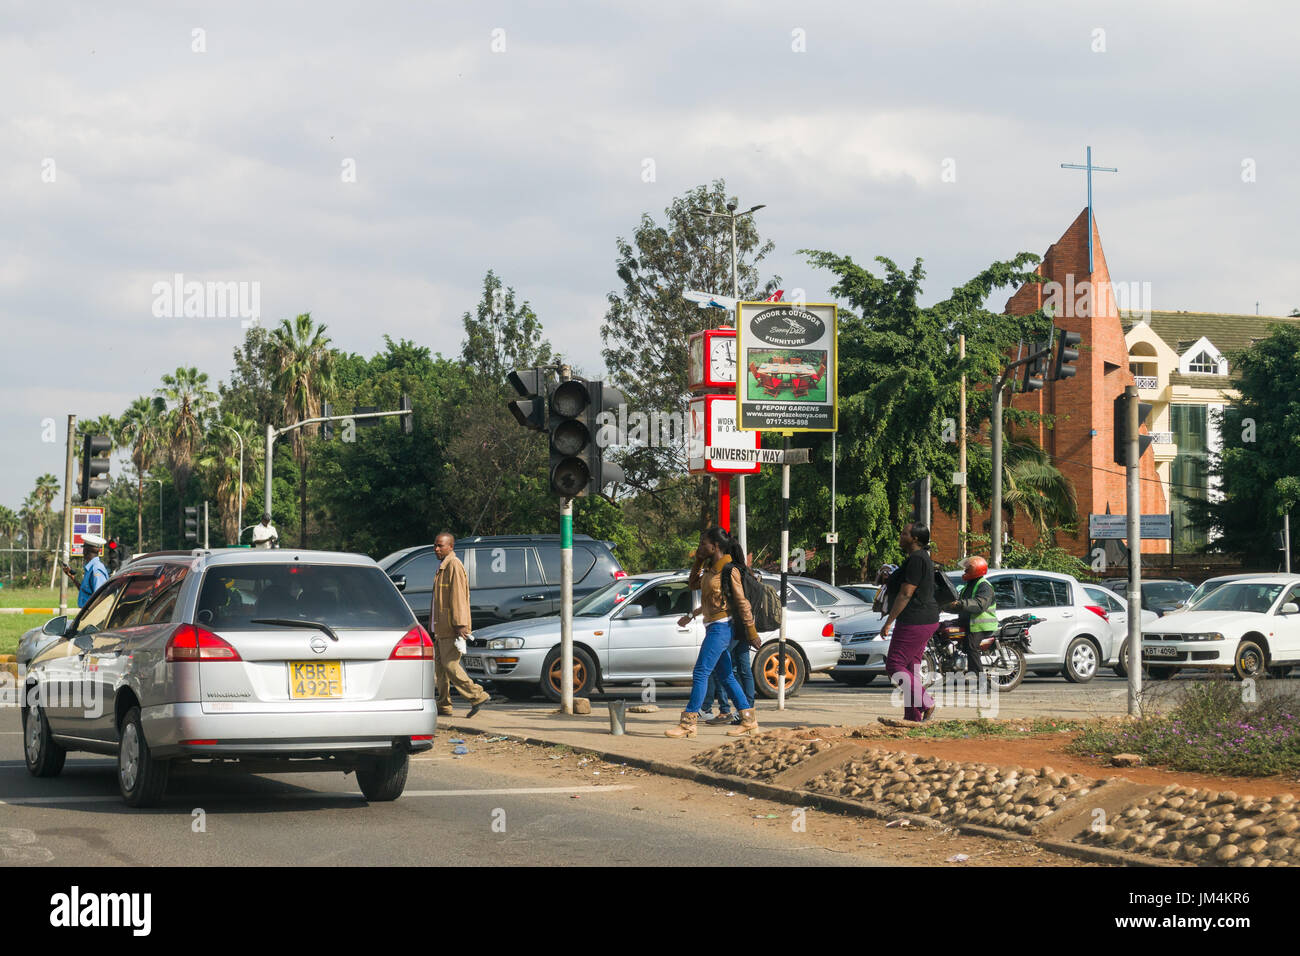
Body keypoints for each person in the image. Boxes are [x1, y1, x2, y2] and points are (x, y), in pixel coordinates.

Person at [665, 527, 760, 739]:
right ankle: (748, 719)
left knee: (700, 672)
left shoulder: (730, 570)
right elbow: (692, 585)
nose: (700, 547)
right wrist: (698, 561)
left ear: (715, 546)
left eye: (702, 544)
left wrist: (752, 632)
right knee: (726, 676)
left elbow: (742, 603)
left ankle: (689, 722)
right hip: (713, 627)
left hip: (722, 628)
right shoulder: (712, 571)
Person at [879, 522, 939, 722]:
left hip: (915, 619)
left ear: (914, 539)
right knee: (911, 667)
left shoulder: (916, 559)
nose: (901, 536)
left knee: (894, 665)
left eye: (904, 533)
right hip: (923, 618)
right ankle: (913, 718)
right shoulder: (917, 559)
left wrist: (889, 621)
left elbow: (905, 594)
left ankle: (926, 702)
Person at [429, 532, 490, 718]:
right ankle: (443, 704)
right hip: (439, 627)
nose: (437, 549)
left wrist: (460, 624)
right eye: (436, 545)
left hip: (450, 626)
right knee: (439, 669)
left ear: (450, 546)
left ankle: (477, 695)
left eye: (441, 545)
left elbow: (458, 597)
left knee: (450, 665)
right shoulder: (443, 566)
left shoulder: (453, 565)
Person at [943, 555, 997, 676]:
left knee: (971, 647)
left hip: (980, 626)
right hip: (967, 622)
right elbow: (959, 605)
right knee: (942, 628)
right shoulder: (968, 586)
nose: (965, 571)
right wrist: (943, 607)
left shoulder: (984, 586)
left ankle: (980, 682)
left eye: (967, 569)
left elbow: (979, 604)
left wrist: (960, 604)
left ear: (975, 570)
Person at [76, 534, 110, 608]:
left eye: (84, 548)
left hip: (93, 614)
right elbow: (86, 592)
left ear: (86, 550)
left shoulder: (96, 569)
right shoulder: (90, 568)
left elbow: (100, 598)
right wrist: (71, 576)